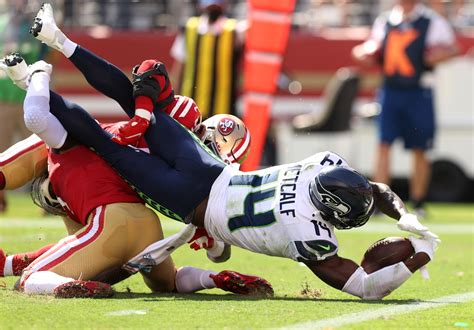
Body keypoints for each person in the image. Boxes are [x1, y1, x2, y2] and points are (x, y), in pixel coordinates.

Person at [11, 3, 440, 300]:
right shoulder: (306, 235)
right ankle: (41, 76)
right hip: (192, 202)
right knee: (103, 144)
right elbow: (366, 286)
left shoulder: (320, 166)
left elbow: (376, 187)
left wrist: (403, 215)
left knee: (137, 100)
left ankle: (60, 41)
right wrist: (421, 251)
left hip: (209, 169)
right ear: (330, 213)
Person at [352, 0, 460, 216]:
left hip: (419, 91)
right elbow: (368, 48)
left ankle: (418, 202)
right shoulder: (385, 21)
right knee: (383, 144)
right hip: (391, 90)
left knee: (420, 148)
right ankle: (380, 203)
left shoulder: (431, 21)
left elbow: (452, 48)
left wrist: (436, 56)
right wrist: (364, 53)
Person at [0, 0, 48, 212]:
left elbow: (40, 52)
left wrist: (19, 49)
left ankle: (48, 200)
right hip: (4, 99)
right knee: (1, 151)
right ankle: (1, 201)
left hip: (29, 96)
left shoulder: (33, 24)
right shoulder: (2, 23)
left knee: (40, 150)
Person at [170, 0, 246, 119]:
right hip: (192, 107)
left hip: (223, 109)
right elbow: (178, 69)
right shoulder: (189, 29)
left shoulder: (234, 31)